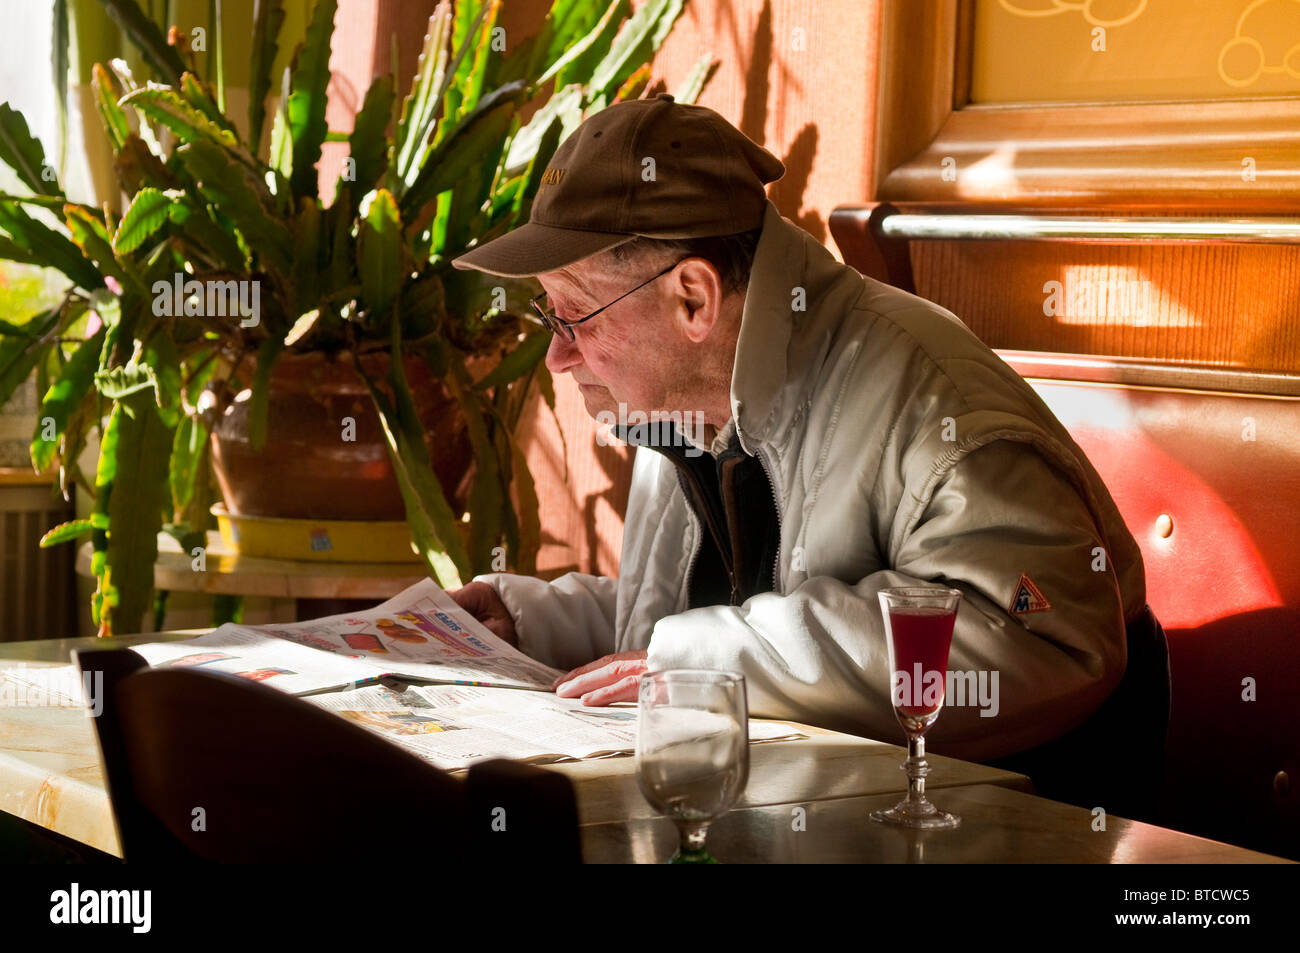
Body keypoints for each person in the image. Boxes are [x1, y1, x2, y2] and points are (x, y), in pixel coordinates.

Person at [448, 93, 1169, 816]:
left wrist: (697, 664)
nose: (556, 356)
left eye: (572, 314)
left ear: (693, 298)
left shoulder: (934, 403)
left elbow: (1036, 638)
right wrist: (534, 624)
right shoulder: (678, 399)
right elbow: (731, 613)